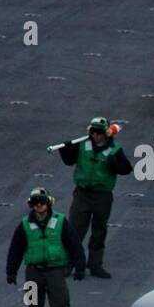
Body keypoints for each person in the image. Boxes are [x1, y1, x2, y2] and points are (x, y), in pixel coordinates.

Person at [5, 187, 85, 307]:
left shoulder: (61, 221)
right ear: (31, 205)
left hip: (55, 272)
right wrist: (11, 271)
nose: (39, 206)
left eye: (42, 202)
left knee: (61, 306)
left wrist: (80, 267)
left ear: (48, 203)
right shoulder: (25, 224)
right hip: (32, 272)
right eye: (35, 203)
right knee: (34, 306)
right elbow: (16, 249)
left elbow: (74, 244)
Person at [56, 116, 133, 278]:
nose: (97, 136)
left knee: (99, 230)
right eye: (94, 132)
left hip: (102, 195)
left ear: (106, 133)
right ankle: (69, 263)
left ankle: (95, 264)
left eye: (99, 133)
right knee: (75, 229)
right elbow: (69, 161)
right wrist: (65, 149)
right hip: (82, 193)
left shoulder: (115, 149)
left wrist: (115, 164)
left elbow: (126, 169)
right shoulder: (82, 146)